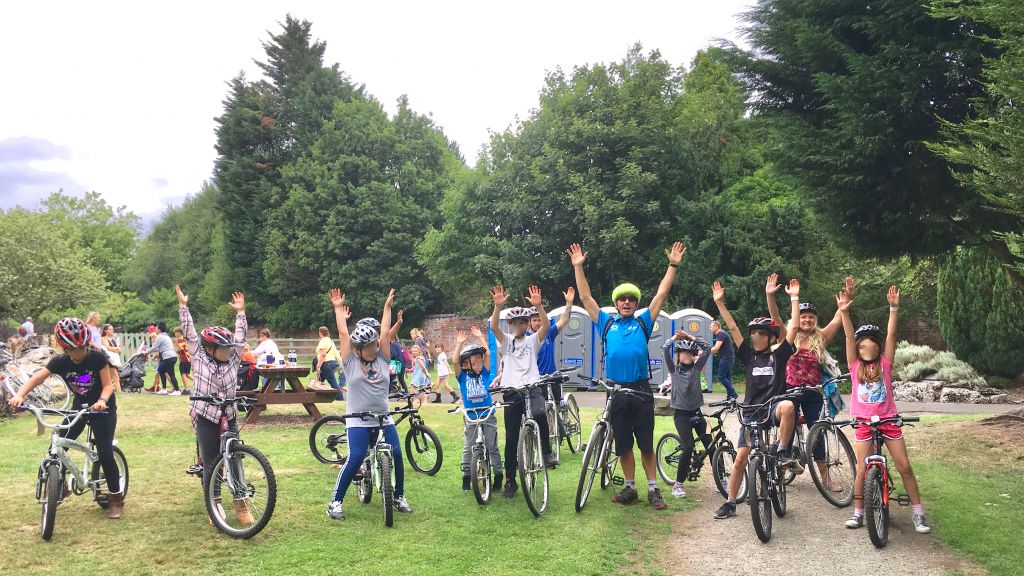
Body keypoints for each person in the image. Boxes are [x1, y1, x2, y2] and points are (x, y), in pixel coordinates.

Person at [568, 241, 686, 510]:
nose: (627, 302)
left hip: (642, 390)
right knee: (623, 445)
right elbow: (586, 298)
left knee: (645, 444)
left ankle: (654, 490)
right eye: (622, 299)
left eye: (631, 299)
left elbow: (661, 294)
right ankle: (631, 488)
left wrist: (673, 265)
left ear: (635, 304)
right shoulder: (606, 323)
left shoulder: (643, 322)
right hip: (616, 391)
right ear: (616, 303)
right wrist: (578, 267)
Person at [8, 317, 123, 519]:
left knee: (104, 453)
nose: (78, 353)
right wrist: (19, 395)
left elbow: (107, 385)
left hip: (102, 409)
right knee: (57, 444)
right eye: (72, 349)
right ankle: (59, 485)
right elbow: (37, 378)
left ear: (86, 343)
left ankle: (115, 498)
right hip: (78, 408)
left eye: (81, 347)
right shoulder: (59, 362)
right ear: (63, 348)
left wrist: (103, 400)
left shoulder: (97, 358)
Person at [838, 285, 931, 533]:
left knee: (904, 466)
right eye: (862, 347)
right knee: (861, 468)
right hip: (863, 422)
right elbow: (848, 337)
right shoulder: (854, 365)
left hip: (889, 420)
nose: (867, 350)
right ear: (858, 349)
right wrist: (844, 313)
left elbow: (891, 335)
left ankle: (918, 513)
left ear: (878, 349)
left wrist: (893, 308)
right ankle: (858, 512)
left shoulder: (885, 364)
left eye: (871, 346)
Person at [710, 281, 796, 520]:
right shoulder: (748, 355)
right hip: (751, 413)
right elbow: (733, 327)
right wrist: (719, 302)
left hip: (773, 409)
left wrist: (794, 299)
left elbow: (794, 327)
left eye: (761, 334)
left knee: (788, 405)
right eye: (754, 334)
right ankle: (730, 502)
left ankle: (781, 451)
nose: (755, 337)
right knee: (740, 459)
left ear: (770, 338)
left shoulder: (779, 356)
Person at [326, 288, 412, 520]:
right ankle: (335, 502)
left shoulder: (383, 356)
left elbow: (385, 332)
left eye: (376, 344)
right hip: (357, 419)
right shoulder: (351, 362)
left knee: (396, 454)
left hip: (383, 416)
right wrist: (337, 309)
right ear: (358, 350)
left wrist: (387, 307)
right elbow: (344, 335)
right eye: (370, 347)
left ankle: (398, 496)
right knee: (355, 458)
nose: (375, 348)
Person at [178, 285, 254, 526]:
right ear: (210, 349)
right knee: (211, 460)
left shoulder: (234, 357)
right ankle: (215, 502)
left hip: (228, 413)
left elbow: (241, 336)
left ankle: (241, 503)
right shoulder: (199, 356)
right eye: (223, 348)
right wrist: (183, 307)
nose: (228, 352)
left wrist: (240, 313)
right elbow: (190, 333)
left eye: (230, 349)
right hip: (205, 415)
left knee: (235, 457)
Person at [775, 275, 849, 483]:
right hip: (789, 389)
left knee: (818, 432)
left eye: (811, 317)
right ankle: (781, 469)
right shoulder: (788, 336)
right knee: (787, 429)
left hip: (813, 391)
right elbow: (775, 317)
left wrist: (846, 302)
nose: (807, 320)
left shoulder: (821, 337)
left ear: (815, 320)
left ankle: (826, 479)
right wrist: (773, 296)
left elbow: (837, 319)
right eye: (803, 316)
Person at [490, 284, 554, 498]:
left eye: (522, 322)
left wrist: (538, 306)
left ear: (527, 324)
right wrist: (497, 307)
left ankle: (546, 450)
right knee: (511, 437)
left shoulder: (532, 340)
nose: (518, 325)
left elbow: (545, 325)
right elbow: (493, 328)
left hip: (532, 387)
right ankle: (510, 480)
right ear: (509, 325)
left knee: (539, 413)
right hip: (511, 391)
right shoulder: (506, 342)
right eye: (514, 322)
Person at [659, 329, 712, 498]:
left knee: (710, 445)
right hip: (681, 415)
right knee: (688, 447)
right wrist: (676, 337)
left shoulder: (697, 369)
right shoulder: (674, 370)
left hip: (696, 412)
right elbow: (665, 348)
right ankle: (678, 484)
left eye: (690, 353)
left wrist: (690, 337)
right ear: (678, 356)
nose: (686, 356)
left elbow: (708, 348)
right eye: (683, 353)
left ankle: (723, 478)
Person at [453, 326, 503, 492]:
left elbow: (488, 354)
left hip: (488, 414)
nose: (479, 364)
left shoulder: (485, 374)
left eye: (479, 361)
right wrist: (460, 344)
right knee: (469, 447)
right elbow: (454, 361)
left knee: (492, 446)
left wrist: (480, 337)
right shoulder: (462, 377)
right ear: (466, 364)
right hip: (471, 416)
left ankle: (498, 474)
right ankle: (467, 476)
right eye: (474, 362)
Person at [530, 287, 576, 405]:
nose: (537, 323)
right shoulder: (525, 338)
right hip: (535, 379)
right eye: (534, 320)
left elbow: (564, 320)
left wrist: (569, 303)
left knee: (558, 405)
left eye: (539, 320)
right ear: (529, 322)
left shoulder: (549, 333)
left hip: (552, 376)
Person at [312, 326, 344, 399]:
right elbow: (336, 354)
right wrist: (341, 364)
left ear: (320, 333)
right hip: (332, 363)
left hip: (326, 364)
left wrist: (318, 366)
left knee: (333, 382)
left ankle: (340, 398)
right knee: (319, 381)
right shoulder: (331, 341)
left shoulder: (323, 341)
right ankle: (316, 397)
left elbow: (323, 355)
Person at [709, 321, 738, 399]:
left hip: (727, 358)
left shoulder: (721, 334)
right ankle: (730, 396)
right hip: (727, 358)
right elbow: (717, 349)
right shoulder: (720, 334)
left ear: (716, 327)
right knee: (727, 377)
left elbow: (716, 348)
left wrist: (704, 353)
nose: (710, 328)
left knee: (721, 377)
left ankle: (733, 393)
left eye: (711, 327)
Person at [150, 322, 180, 395]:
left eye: (156, 328)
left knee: (171, 373)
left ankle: (177, 390)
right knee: (161, 371)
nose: (155, 329)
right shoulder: (166, 336)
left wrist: (144, 352)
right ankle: (164, 389)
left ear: (159, 329)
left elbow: (154, 347)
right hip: (171, 356)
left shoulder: (160, 336)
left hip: (168, 357)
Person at [101, 324, 124, 392]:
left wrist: (117, 350)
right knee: (116, 377)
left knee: (110, 378)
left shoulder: (113, 339)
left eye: (112, 329)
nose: (112, 331)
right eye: (110, 329)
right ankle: (120, 392)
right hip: (108, 360)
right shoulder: (103, 339)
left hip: (114, 360)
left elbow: (118, 350)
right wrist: (117, 348)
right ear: (105, 330)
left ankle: (110, 391)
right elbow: (108, 348)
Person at [173, 327, 193, 393]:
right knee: (187, 374)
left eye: (176, 332)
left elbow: (180, 349)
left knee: (183, 374)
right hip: (188, 358)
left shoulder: (180, 340)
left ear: (179, 332)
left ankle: (186, 389)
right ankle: (198, 382)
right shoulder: (185, 339)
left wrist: (175, 350)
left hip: (184, 359)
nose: (175, 334)